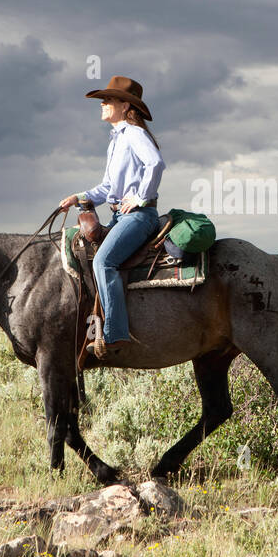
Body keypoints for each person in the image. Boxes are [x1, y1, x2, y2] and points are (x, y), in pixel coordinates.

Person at [57, 76, 165, 357]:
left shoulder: (133, 133)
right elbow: (107, 188)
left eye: (108, 99)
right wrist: (79, 198)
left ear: (125, 105)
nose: (103, 104)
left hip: (139, 217)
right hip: (121, 217)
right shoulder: (117, 140)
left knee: (105, 261)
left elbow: (156, 163)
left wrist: (141, 197)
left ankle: (114, 333)